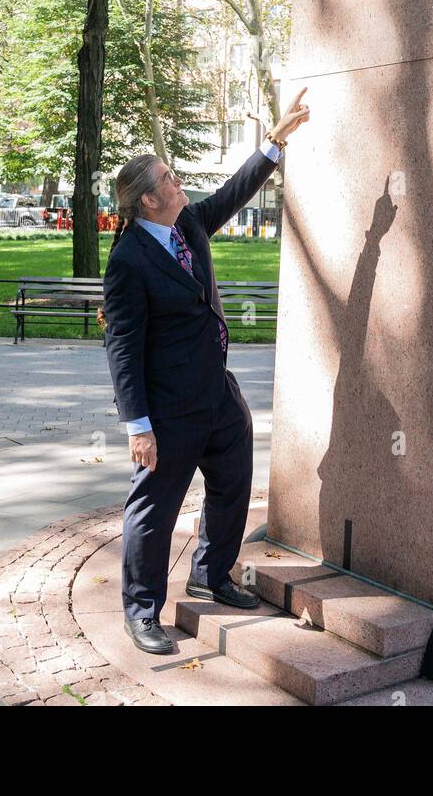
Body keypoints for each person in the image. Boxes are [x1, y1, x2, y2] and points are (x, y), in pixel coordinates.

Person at [103, 88, 310, 654]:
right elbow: (121, 346)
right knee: (153, 510)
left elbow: (232, 193)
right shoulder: (127, 263)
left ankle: (210, 573)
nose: (179, 184)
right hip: (167, 409)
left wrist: (274, 143)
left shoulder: (189, 224)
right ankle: (142, 610)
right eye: (169, 179)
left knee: (233, 481)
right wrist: (137, 426)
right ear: (147, 200)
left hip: (217, 392)